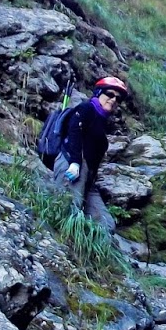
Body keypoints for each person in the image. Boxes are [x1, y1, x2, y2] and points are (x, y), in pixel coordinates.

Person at [53, 75, 129, 228]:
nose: (114, 100)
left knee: (106, 224)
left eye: (118, 99)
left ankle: (91, 249)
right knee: (68, 211)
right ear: (98, 93)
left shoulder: (102, 121)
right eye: (109, 94)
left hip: (88, 176)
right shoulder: (86, 108)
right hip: (72, 165)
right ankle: (63, 246)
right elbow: (74, 131)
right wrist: (74, 163)